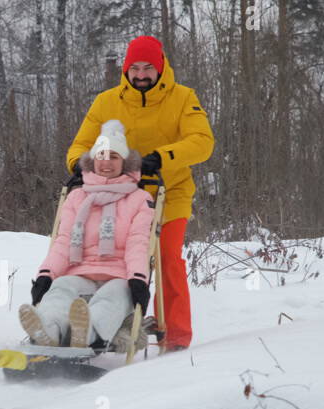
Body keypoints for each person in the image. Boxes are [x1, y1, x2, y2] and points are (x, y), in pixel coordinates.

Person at [66, 35, 214, 352]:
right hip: (117, 198)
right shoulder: (107, 102)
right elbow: (80, 145)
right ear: (126, 69)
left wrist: (163, 157)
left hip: (168, 194)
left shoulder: (184, 98)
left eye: (148, 67)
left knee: (166, 258)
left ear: (160, 67)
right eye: (135, 68)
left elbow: (202, 141)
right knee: (109, 259)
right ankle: (99, 323)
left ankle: (174, 334)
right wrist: (79, 165)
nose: (142, 74)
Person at [18, 120, 155, 352]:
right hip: (79, 270)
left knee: (111, 298)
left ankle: (87, 332)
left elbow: (138, 244)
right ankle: (48, 330)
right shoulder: (77, 197)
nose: (106, 162)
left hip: (119, 275)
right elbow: (63, 241)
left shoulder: (139, 199)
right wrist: (45, 275)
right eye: (101, 155)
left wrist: (138, 279)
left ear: (124, 162)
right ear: (93, 160)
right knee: (60, 288)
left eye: (113, 156)